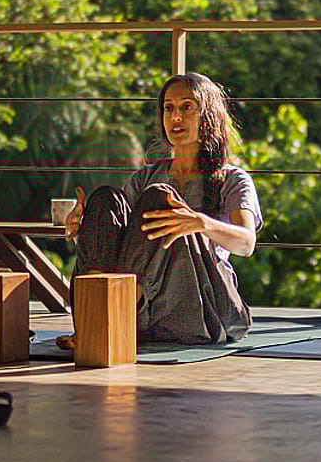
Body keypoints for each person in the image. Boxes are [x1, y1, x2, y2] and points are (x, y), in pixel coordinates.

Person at [64, 73, 262, 344]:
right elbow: (123, 243)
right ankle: (96, 312)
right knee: (104, 199)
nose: (175, 116)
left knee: (159, 198)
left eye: (187, 107)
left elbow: (246, 243)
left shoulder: (232, 179)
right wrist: (81, 230)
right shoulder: (145, 176)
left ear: (208, 116)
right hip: (147, 310)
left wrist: (200, 223)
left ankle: (106, 317)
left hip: (201, 304)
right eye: (169, 108)